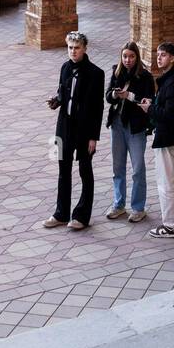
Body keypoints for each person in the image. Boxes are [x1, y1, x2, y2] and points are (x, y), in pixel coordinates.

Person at [44, 31, 104, 230]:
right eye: (70, 47)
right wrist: (56, 101)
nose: (73, 51)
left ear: (84, 49)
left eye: (77, 48)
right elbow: (63, 92)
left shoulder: (96, 73)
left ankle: (81, 216)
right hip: (64, 128)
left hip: (85, 131)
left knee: (85, 172)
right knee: (63, 171)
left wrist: (94, 137)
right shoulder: (65, 68)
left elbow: (97, 108)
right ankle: (61, 213)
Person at [140, 42, 174, 239]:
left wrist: (149, 109)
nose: (158, 58)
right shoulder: (172, 79)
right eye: (158, 54)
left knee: (166, 182)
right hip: (172, 136)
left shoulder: (173, 81)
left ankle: (169, 225)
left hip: (167, 136)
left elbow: (169, 114)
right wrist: (154, 104)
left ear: (172, 58)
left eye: (163, 55)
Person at [105, 41, 155, 223]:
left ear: (137, 57)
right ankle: (118, 204)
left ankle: (138, 207)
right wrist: (114, 95)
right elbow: (108, 95)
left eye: (131, 56)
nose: (127, 60)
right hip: (117, 124)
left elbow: (149, 100)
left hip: (135, 126)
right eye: (124, 56)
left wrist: (130, 96)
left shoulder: (145, 77)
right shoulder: (116, 72)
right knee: (117, 167)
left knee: (138, 168)